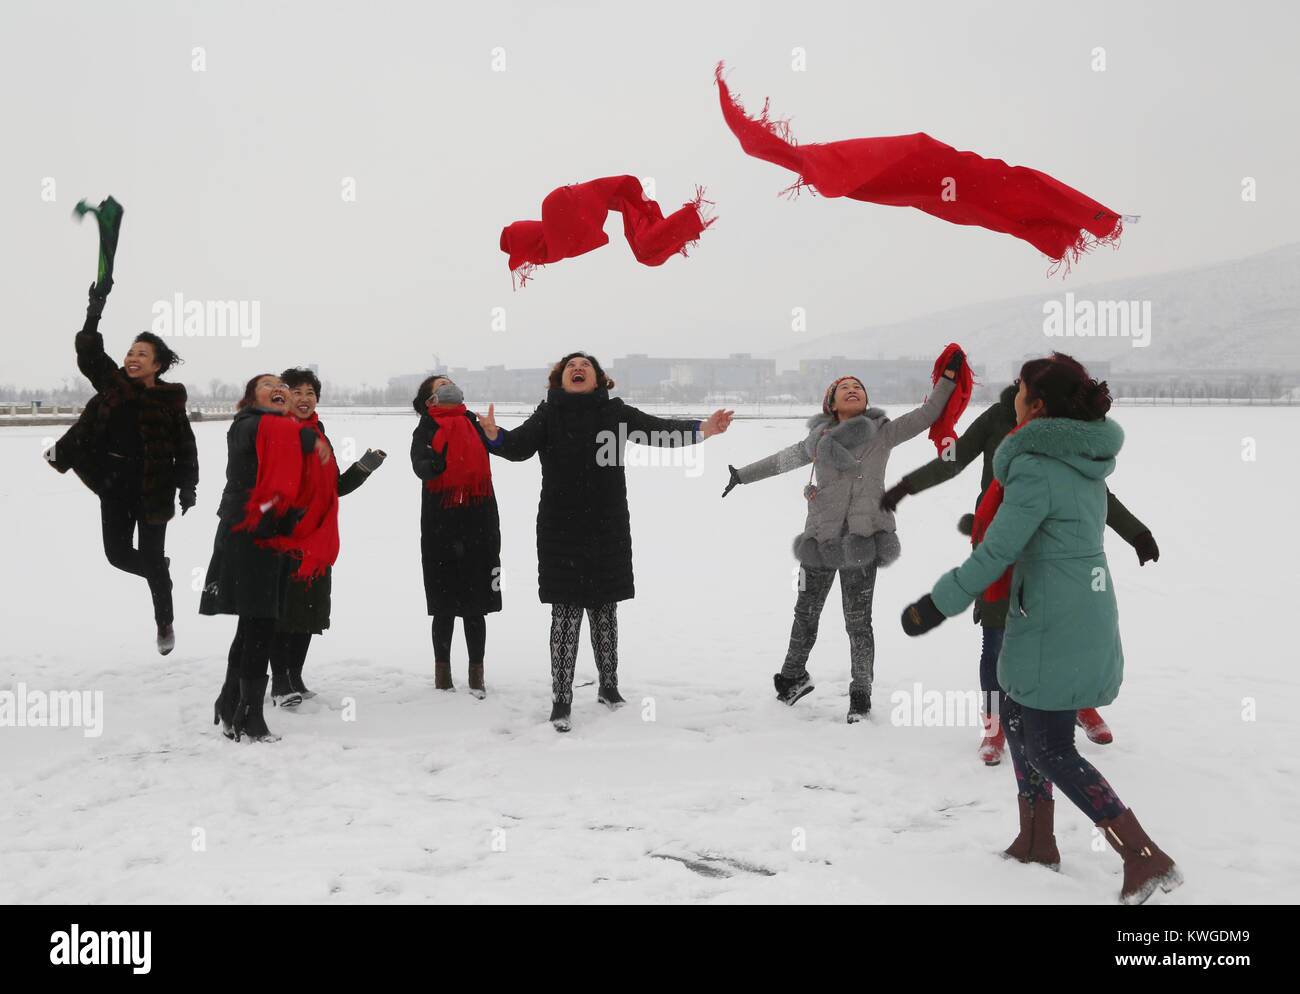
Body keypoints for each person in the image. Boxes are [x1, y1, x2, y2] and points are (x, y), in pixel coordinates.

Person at [900, 353, 1181, 905]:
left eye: (1021, 388)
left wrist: (937, 604)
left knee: (1050, 745)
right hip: (1074, 608)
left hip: (1054, 617)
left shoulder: (1033, 467)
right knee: (1026, 730)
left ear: (1038, 404)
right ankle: (1036, 841)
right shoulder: (1083, 459)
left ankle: (1144, 856)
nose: (1015, 395)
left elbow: (999, 550)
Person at [881, 378, 1160, 763]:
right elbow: (954, 457)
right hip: (999, 539)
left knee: (1065, 633)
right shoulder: (997, 418)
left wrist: (1137, 532)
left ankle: (1078, 703)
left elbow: (1095, 490)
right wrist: (906, 486)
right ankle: (995, 726)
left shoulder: (1065, 434)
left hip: (1052, 552)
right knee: (996, 640)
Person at [480, 352, 733, 731]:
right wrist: (495, 436)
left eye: (586, 367)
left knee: (605, 610)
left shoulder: (615, 413)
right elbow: (518, 447)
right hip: (559, 527)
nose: (578, 369)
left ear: (599, 379)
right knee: (564, 612)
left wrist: (703, 429)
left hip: (607, 525)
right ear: (559, 379)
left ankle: (609, 687)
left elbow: (658, 431)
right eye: (571, 367)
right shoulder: (548, 414)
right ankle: (561, 699)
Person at [721, 349, 964, 722]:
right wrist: (743, 475)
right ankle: (792, 679)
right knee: (805, 614)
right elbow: (783, 460)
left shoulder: (884, 433)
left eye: (858, 387)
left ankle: (861, 695)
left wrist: (947, 378)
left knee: (857, 622)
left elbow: (927, 414)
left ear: (866, 400)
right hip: (821, 540)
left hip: (862, 542)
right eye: (843, 387)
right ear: (831, 404)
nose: (852, 390)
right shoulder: (817, 441)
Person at [47, 280, 198, 654]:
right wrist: (94, 309)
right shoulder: (114, 385)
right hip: (114, 484)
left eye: (142, 354)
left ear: (157, 364)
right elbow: (89, 353)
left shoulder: (170, 401)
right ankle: (160, 572)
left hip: (155, 488)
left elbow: (186, 447)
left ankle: (164, 622)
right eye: (131, 351)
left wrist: (187, 486)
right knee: (117, 556)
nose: (132, 358)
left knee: (150, 558)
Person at [200, 374, 330, 742]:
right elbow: (277, 435)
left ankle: (231, 703)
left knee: (254, 625)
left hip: (270, 535)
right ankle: (249, 717)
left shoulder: (281, 429)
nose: (280, 388)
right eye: (268, 384)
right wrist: (307, 437)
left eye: (282, 385)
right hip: (247, 533)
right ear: (250, 397)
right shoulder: (248, 425)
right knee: (259, 624)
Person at [267, 368, 386, 708]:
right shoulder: (277, 430)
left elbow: (332, 489)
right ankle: (279, 683)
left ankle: (295, 676)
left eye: (310, 392)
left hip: (319, 539)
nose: (304, 399)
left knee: (308, 612)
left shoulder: (319, 433)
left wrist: (364, 467)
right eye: (297, 392)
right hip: (288, 537)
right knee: (283, 613)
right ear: (284, 395)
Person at [410, 374, 500, 698]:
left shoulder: (474, 423)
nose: (448, 388)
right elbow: (419, 464)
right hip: (441, 524)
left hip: (479, 519)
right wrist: (433, 463)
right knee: (444, 604)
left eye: (450, 383)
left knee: (477, 605)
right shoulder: (426, 428)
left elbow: (500, 445)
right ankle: (442, 674)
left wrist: (496, 435)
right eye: (440, 386)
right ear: (429, 400)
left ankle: (477, 673)